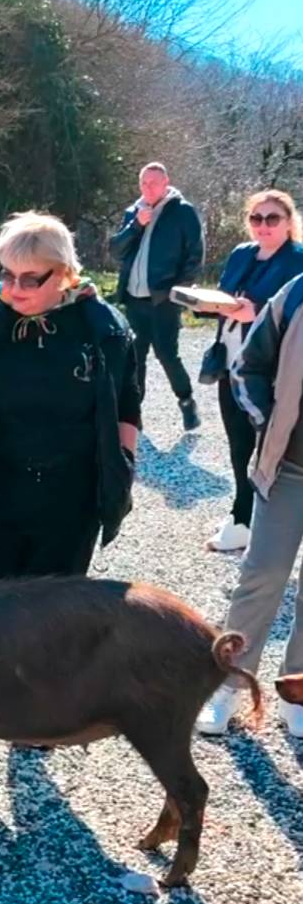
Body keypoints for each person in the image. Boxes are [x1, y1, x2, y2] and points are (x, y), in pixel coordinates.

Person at [0, 210, 140, 580]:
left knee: (50, 622)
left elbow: (126, 403)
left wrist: (123, 460)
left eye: (30, 279)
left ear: (64, 273)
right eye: (6, 274)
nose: (13, 289)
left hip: (71, 502)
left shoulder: (105, 329)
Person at [196, 268, 303, 737]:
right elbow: (248, 365)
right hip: (290, 467)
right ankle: (227, 684)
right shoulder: (295, 292)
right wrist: (267, 422)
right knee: (262, 574)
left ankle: (295, 692)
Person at [204, 189, 303, 553]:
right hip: (232, 361)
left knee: (268, 447)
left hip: (271, 370)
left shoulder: (298, 261)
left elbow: (292, 318)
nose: (263, 226)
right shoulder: (241, 254)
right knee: (237, 446)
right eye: (256, 219)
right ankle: (242, 516)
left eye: (272, 218)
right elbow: (226, 295)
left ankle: (257, 519)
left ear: (289, 222)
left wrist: (255, 311)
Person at [109, 162, 204, 430]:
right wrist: (136, 226)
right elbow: (116, 251)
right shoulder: (133, 211)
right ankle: (133, 414)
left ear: (166, 183)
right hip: (134, 298)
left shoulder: (183, 212)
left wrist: (178, 290)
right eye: (144, 183)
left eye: (153, 182)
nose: (148, 188)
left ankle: (186, 401)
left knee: (166, 354)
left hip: (164, 299)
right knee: (135, 357)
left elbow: (195, 256)